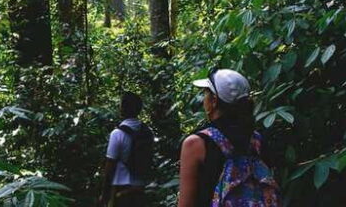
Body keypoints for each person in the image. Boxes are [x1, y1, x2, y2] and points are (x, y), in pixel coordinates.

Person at [178, 69, 280, 207]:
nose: (204, 99)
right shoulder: (257, 140)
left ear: (213, 101)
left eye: (206, 93)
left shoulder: (196, 144)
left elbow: (186, 204)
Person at [99, 91, 154, 206]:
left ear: (123, 108)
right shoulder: (147, 132)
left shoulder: (117, 133)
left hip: (120, 186)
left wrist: (105, 193)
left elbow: (110, 164)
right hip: (140, 186)